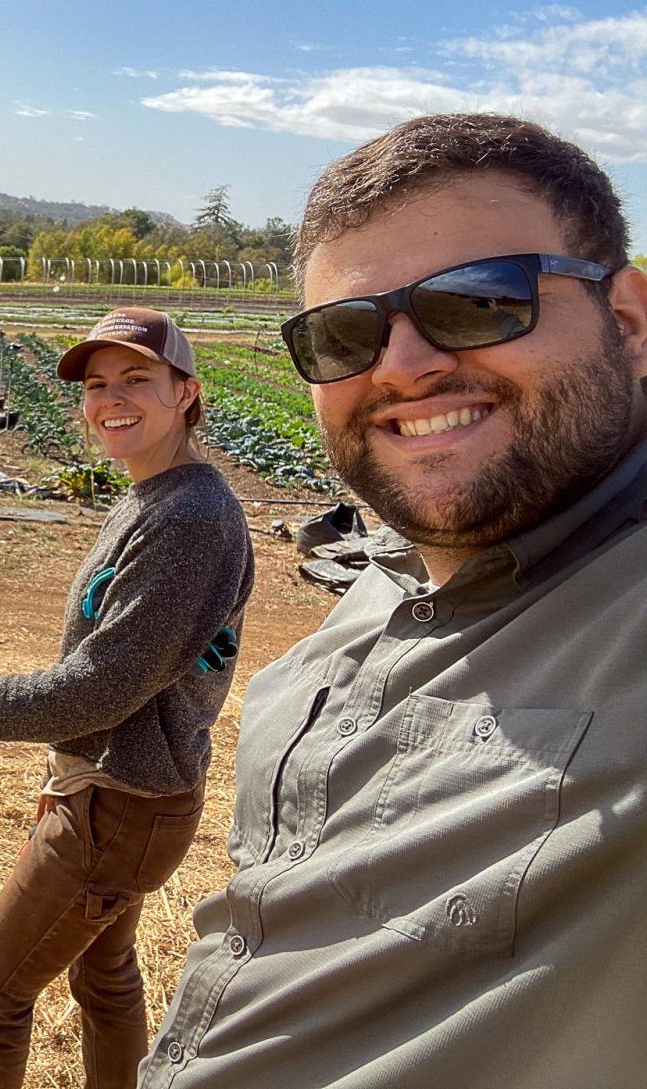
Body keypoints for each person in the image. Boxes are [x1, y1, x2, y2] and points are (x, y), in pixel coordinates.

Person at [140, 114, 647, 1088]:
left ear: (624, 324)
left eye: (479, 300)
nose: (402, 365)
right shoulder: (385, 582)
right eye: (343, 333)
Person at [0, 307, 255, 1089]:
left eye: (137, 379)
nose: (111, 399)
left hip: (123, 806)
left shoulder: (192, 519)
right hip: (115, 789)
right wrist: (65, 771)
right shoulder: (153, 496)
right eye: (97, 384)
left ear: (185, 392)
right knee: (104, 976)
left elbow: (101, 686)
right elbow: (115, 680)